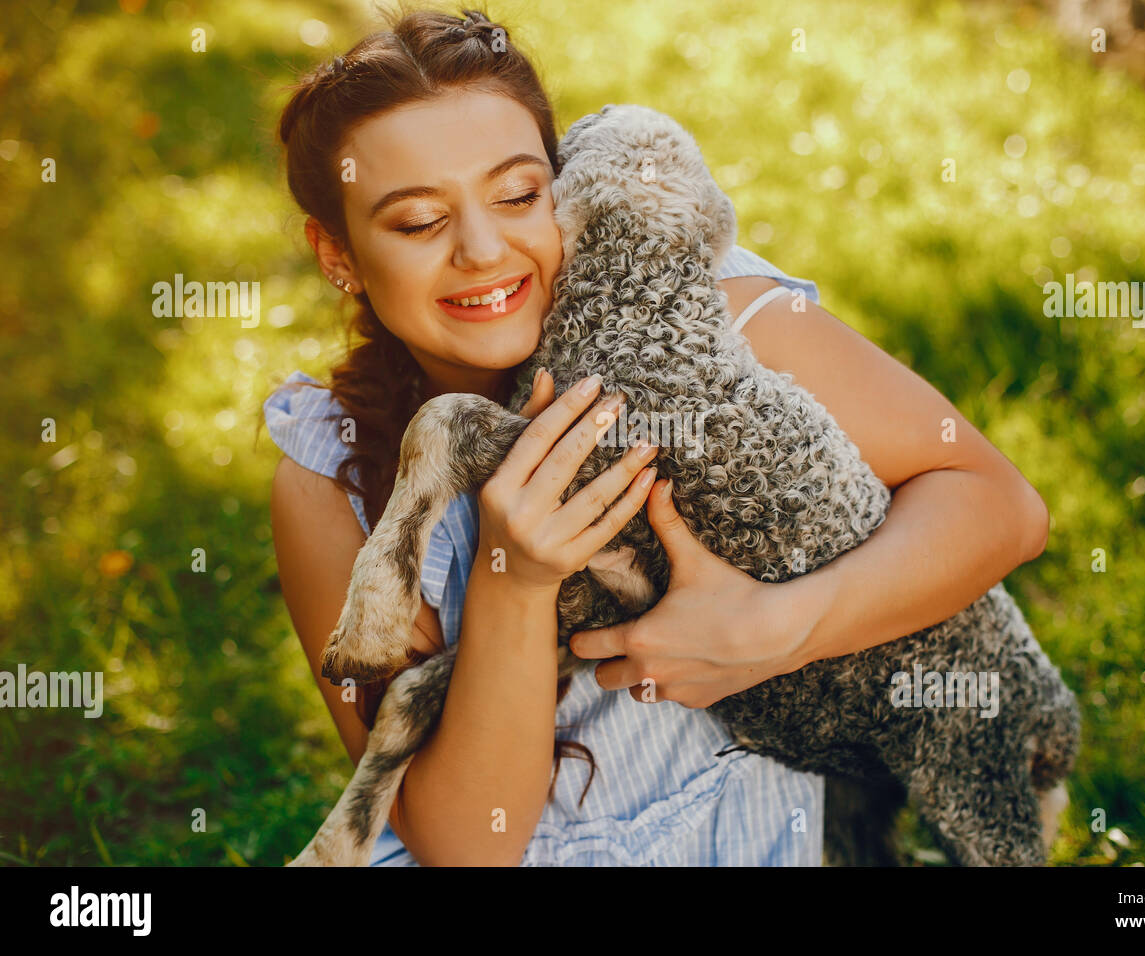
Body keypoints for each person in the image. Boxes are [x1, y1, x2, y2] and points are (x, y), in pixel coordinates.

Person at [264, 7, 1049, 867]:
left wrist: (774, 627)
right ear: (336, 254)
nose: (484, 250)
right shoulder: (329, 479)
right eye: (418, 222)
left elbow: (999, 506)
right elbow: (465, 845)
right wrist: (514, 582)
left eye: (520, 196)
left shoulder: (710, 329)